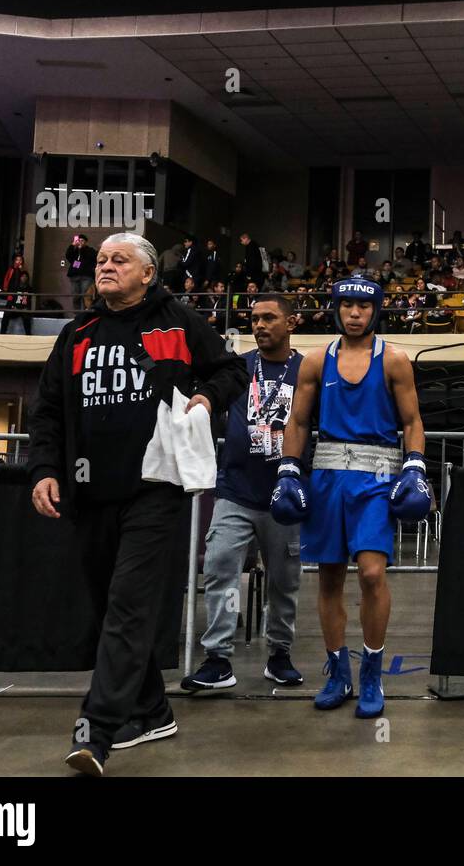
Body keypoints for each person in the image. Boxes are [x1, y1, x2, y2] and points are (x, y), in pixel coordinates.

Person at [28, 231, 248, 776]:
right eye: (101, 260)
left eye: (119, 260)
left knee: (127, 608)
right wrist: (44, 470)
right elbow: (49, 410)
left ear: (147, 273)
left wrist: (207, 396)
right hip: (90, 491)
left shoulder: (176, 321)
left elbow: (231, 370)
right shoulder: (76, 331)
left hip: (154, 491)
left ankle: (96, 729)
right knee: (109, 610)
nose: (105, 267)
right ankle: (151, 709)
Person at [271, 277, 428, 721]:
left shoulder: (394, 360)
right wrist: (288, 469)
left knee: (373, 572)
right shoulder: (317, 362)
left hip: (377, 477)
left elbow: (413, 420)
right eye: (347, 306)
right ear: (336, 309)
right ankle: (339, 672)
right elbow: (298, 422)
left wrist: (414, 465)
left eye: (362, 306)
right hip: (327, 476)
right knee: (328, 577)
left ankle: (373, 672)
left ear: (374, 311)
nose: (354, 313)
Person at [182, 294, 307, 697]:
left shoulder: (307, 371)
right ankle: (218, 660)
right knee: (219, 568)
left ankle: (279, 655)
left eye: (270, 317)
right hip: (235, 489)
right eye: (254, 318)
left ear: (291, 322)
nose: (259, 325)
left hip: (283, 494)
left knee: (283, 580)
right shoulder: (237, 367)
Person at [63, 233, 97, 311]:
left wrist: (82, 249)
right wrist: (73, 245)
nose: (80, 242)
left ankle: (84, 313)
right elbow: (68, 256)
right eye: (78, 240)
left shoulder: (90, 250)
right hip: (74, 276)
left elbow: (95, 257)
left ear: (85, 242)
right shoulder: (74, 251)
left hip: (86, 276)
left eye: (82, 240)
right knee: (76, 296)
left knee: (85, 295)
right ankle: (77, 313)